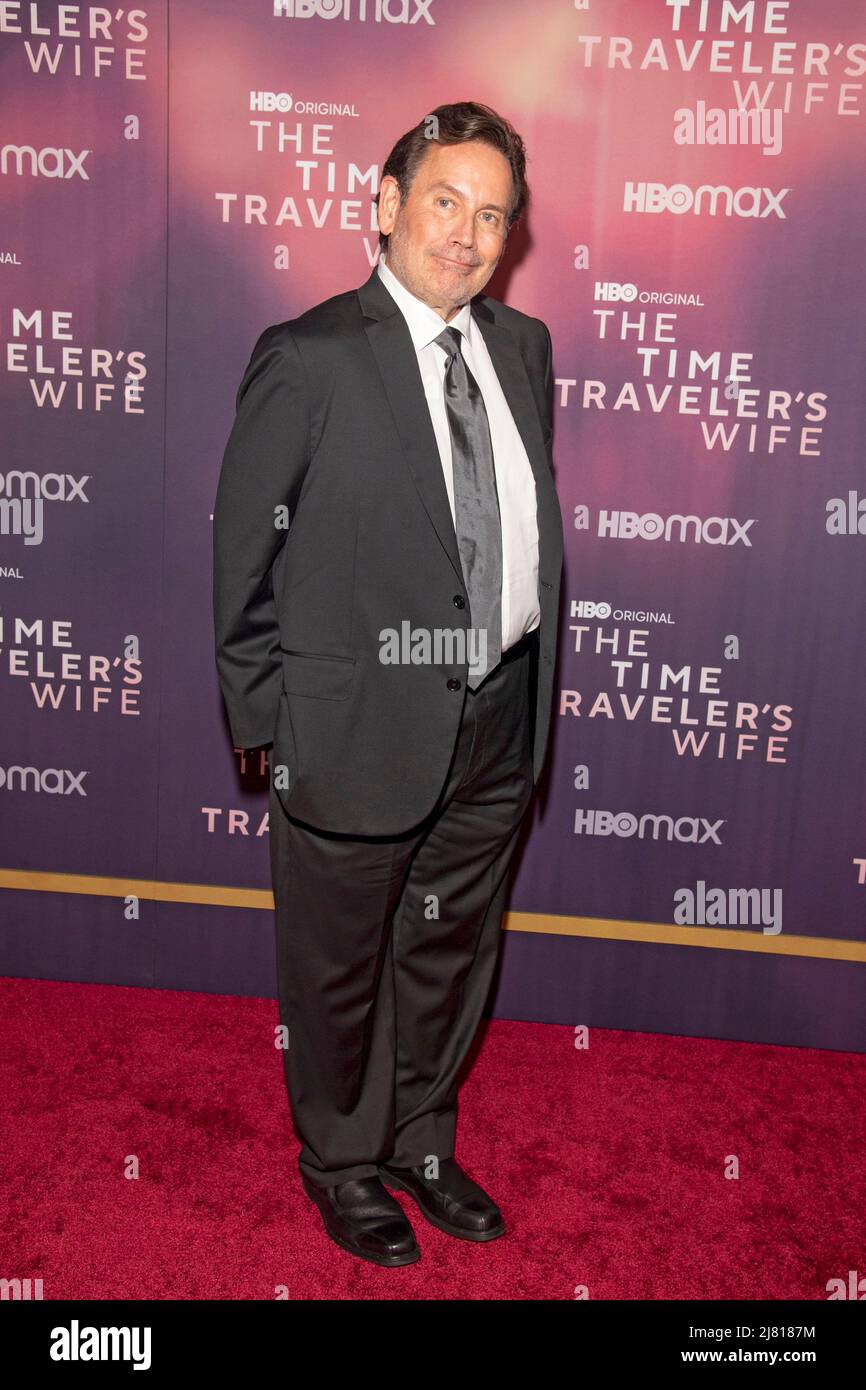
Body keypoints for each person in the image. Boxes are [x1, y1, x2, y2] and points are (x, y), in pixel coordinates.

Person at [213, 101, 563, 1268]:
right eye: (443, 202)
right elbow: (241, 564)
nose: (464, 234)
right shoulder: (307, 356)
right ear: (384, 205)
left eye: (491, 215)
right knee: (339, 969)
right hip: (352, 727)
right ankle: (342, 1162)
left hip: (497, 714)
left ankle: (420, 1141)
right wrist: (273, 729)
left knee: (449, 951)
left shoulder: (521, 349)